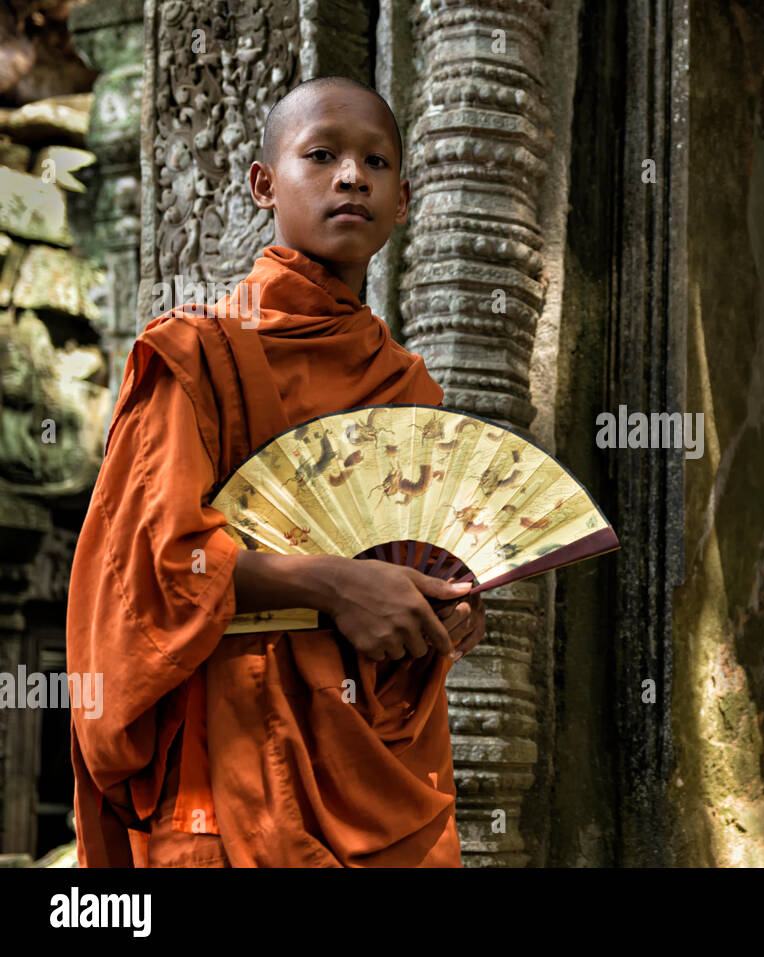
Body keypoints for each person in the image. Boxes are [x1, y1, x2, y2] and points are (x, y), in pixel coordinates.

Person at [66, 76, 486, 867]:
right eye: (321, 155)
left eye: (376, 162)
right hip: (234, 756)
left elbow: (416, 562)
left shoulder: (409, 387)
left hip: (376, 753)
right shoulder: (197, 354)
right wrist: (330, 584)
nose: (352, 176)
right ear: (265, 184)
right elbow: (155, 568)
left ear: (403, 202)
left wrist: (450, 611)